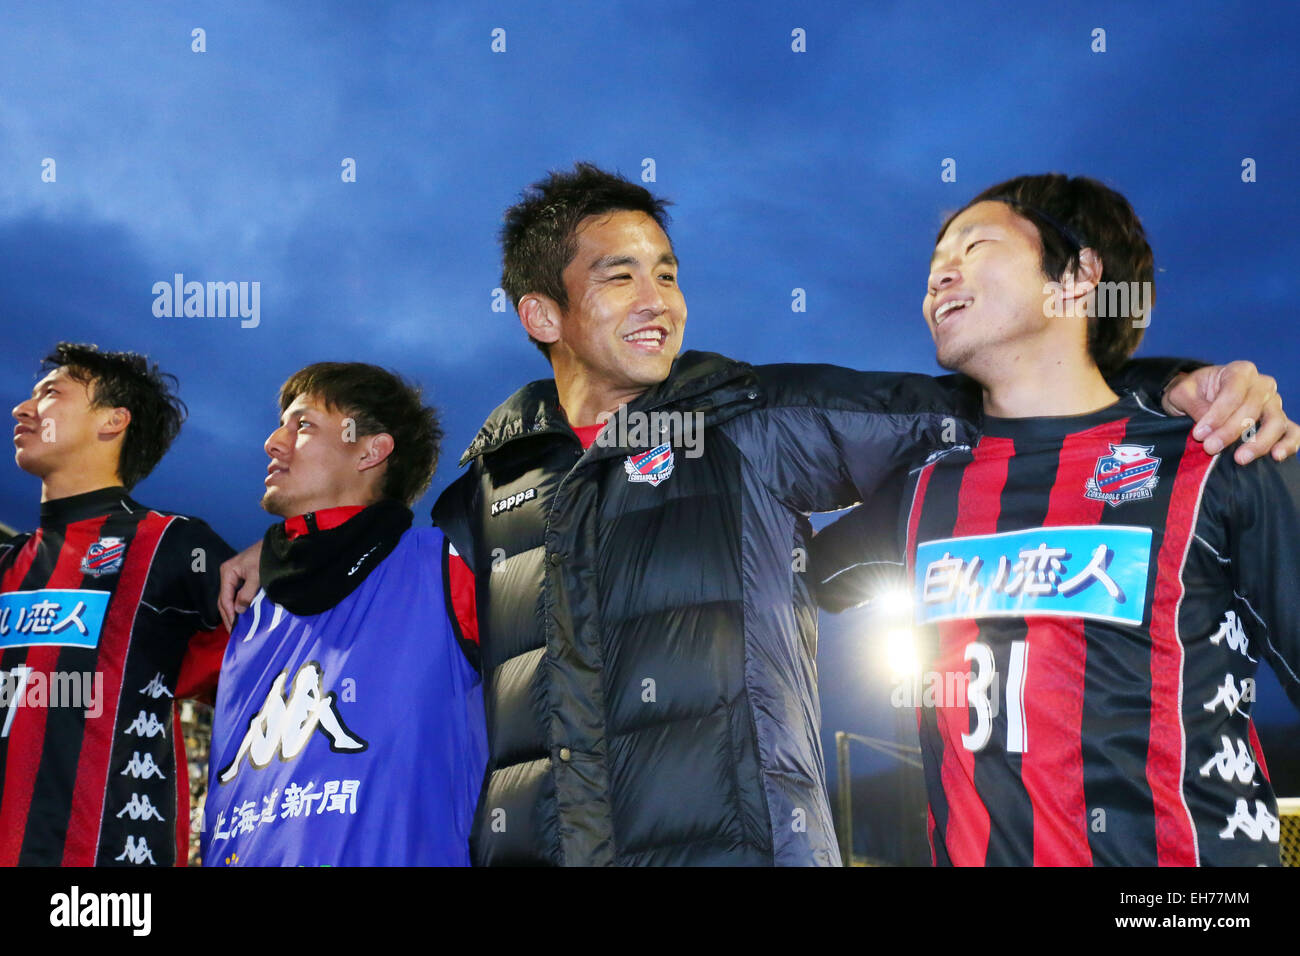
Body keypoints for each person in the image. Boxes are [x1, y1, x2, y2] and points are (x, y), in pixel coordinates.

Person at [222, 164, 1293, 866]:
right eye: (619, 276)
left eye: (669, 272)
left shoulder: (750, 416)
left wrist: (1169, 387)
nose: (659, 298)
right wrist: (262, 558)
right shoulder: (480, 496)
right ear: (541, 313)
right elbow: (366, 601)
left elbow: (1003, 403)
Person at [815, 174, 1300, 865]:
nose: (938, 277)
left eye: (974, 245)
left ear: (1076, 277)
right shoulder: (921, 491)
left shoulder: (1224, 454)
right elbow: (767, 567)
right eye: (931, 267)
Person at [202, 362, 485, 866]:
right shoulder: (250, 609)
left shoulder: (446, 565)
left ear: (372, 450)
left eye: (303, 424)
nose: (272, 442)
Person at [2, 342, 233, 866]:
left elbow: (272, 682)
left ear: (113, 420)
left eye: (49, 394)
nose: (22, 408)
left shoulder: (175, 546)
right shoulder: (7, 566)